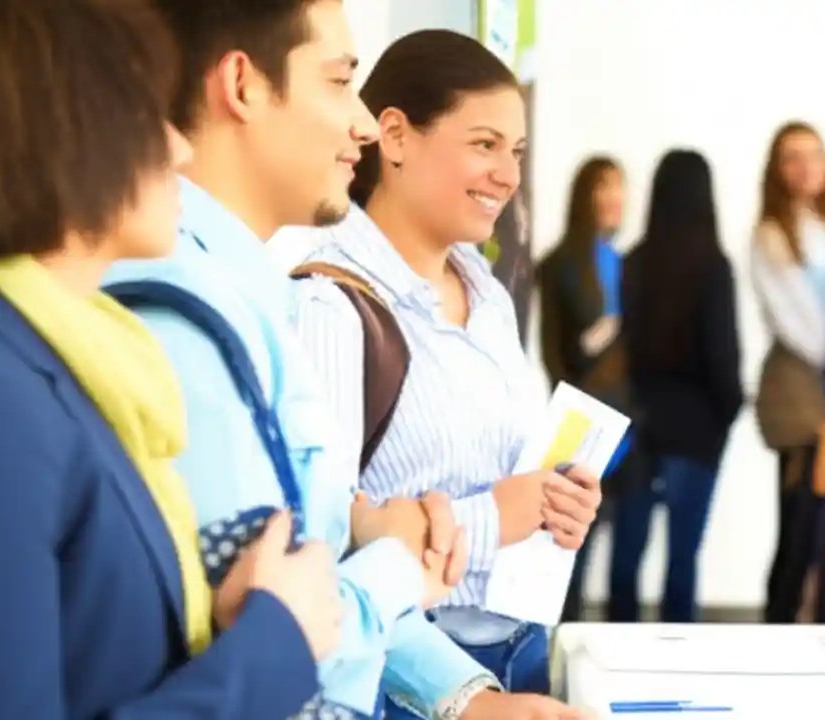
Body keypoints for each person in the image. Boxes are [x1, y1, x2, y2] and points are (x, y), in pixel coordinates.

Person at [106, 5, 557, 719]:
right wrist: (397, 560)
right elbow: (276, 640)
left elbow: (307, 577)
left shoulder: (245, 305)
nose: (364, 123)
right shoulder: (186, 323)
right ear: (243, 86)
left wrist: (462, 695)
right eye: (341, 82)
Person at [0, 1, 338, 716]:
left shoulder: (69, 364)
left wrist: (227, 618)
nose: (181, 150)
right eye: (150, 113)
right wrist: (276, 643)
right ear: (69, 131)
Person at [290, 30, 598, 715]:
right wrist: (494, 517)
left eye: (515, 152)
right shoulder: (332, 304)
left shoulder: (487, 294)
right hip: (409, 674)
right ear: (394, 137)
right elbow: (323, 541)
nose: (509, 176)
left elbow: (510, 479)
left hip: (520, 646)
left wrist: (557, 505)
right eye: (484, 144)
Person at [609, 149, 743, 624]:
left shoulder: (634, 262)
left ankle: (611, 654)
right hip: (697, 430)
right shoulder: (713, 265)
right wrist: (728, 415)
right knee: (683, 558)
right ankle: (674, 660)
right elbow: (724, 357)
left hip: (641, 425)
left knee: (626, 553)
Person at [751, 121, 825, 624]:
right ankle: (777, 627)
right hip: (800, 397)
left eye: (815, 154)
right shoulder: (772, 233)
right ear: (776, 169)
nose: (806, 165)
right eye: (793, 156)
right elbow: (802, 326)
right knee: (799, 529)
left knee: (820, 533)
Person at [537, 155, 643, 622]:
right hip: (584, 423)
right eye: (602, 187)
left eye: (618, 187)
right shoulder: (560, 264)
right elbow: (561, 354)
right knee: (570, 553)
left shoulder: (625, 262)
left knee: (628, 551)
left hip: (632, 421)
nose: (612, 197)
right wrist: (613, 328)